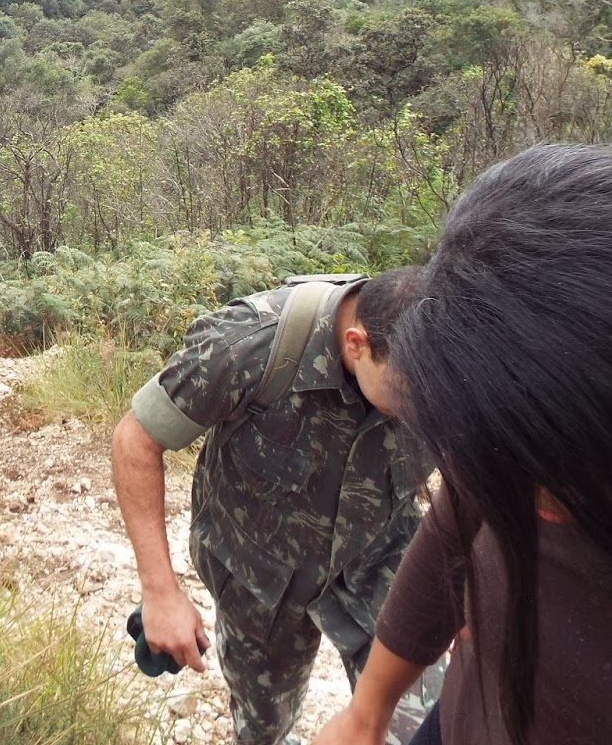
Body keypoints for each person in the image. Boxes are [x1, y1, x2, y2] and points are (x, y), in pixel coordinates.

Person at [312, 144, 612, 745]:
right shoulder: (513, 430)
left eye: (549, 461)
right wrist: (368, 711)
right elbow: (448, 533)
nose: (512, 488)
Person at [112, 267, 443, 745]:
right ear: (356, 344)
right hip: (260, 576)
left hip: (380, 554)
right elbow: (135, 441)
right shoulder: (247, 346)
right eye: (407, 396)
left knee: (426, 723)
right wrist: (161, 592)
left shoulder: (455, 362)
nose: (423, 412)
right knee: (264, 729)